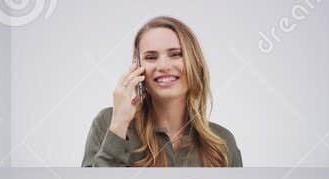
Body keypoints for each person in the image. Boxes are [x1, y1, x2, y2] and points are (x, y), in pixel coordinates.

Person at [83, 16, 241, 167]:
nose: (164, 66)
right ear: (137, 68)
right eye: (151, 57)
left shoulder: (223, 142)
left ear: (195, 62)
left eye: (176, 54)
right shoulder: (109, 122)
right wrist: (119, 124)